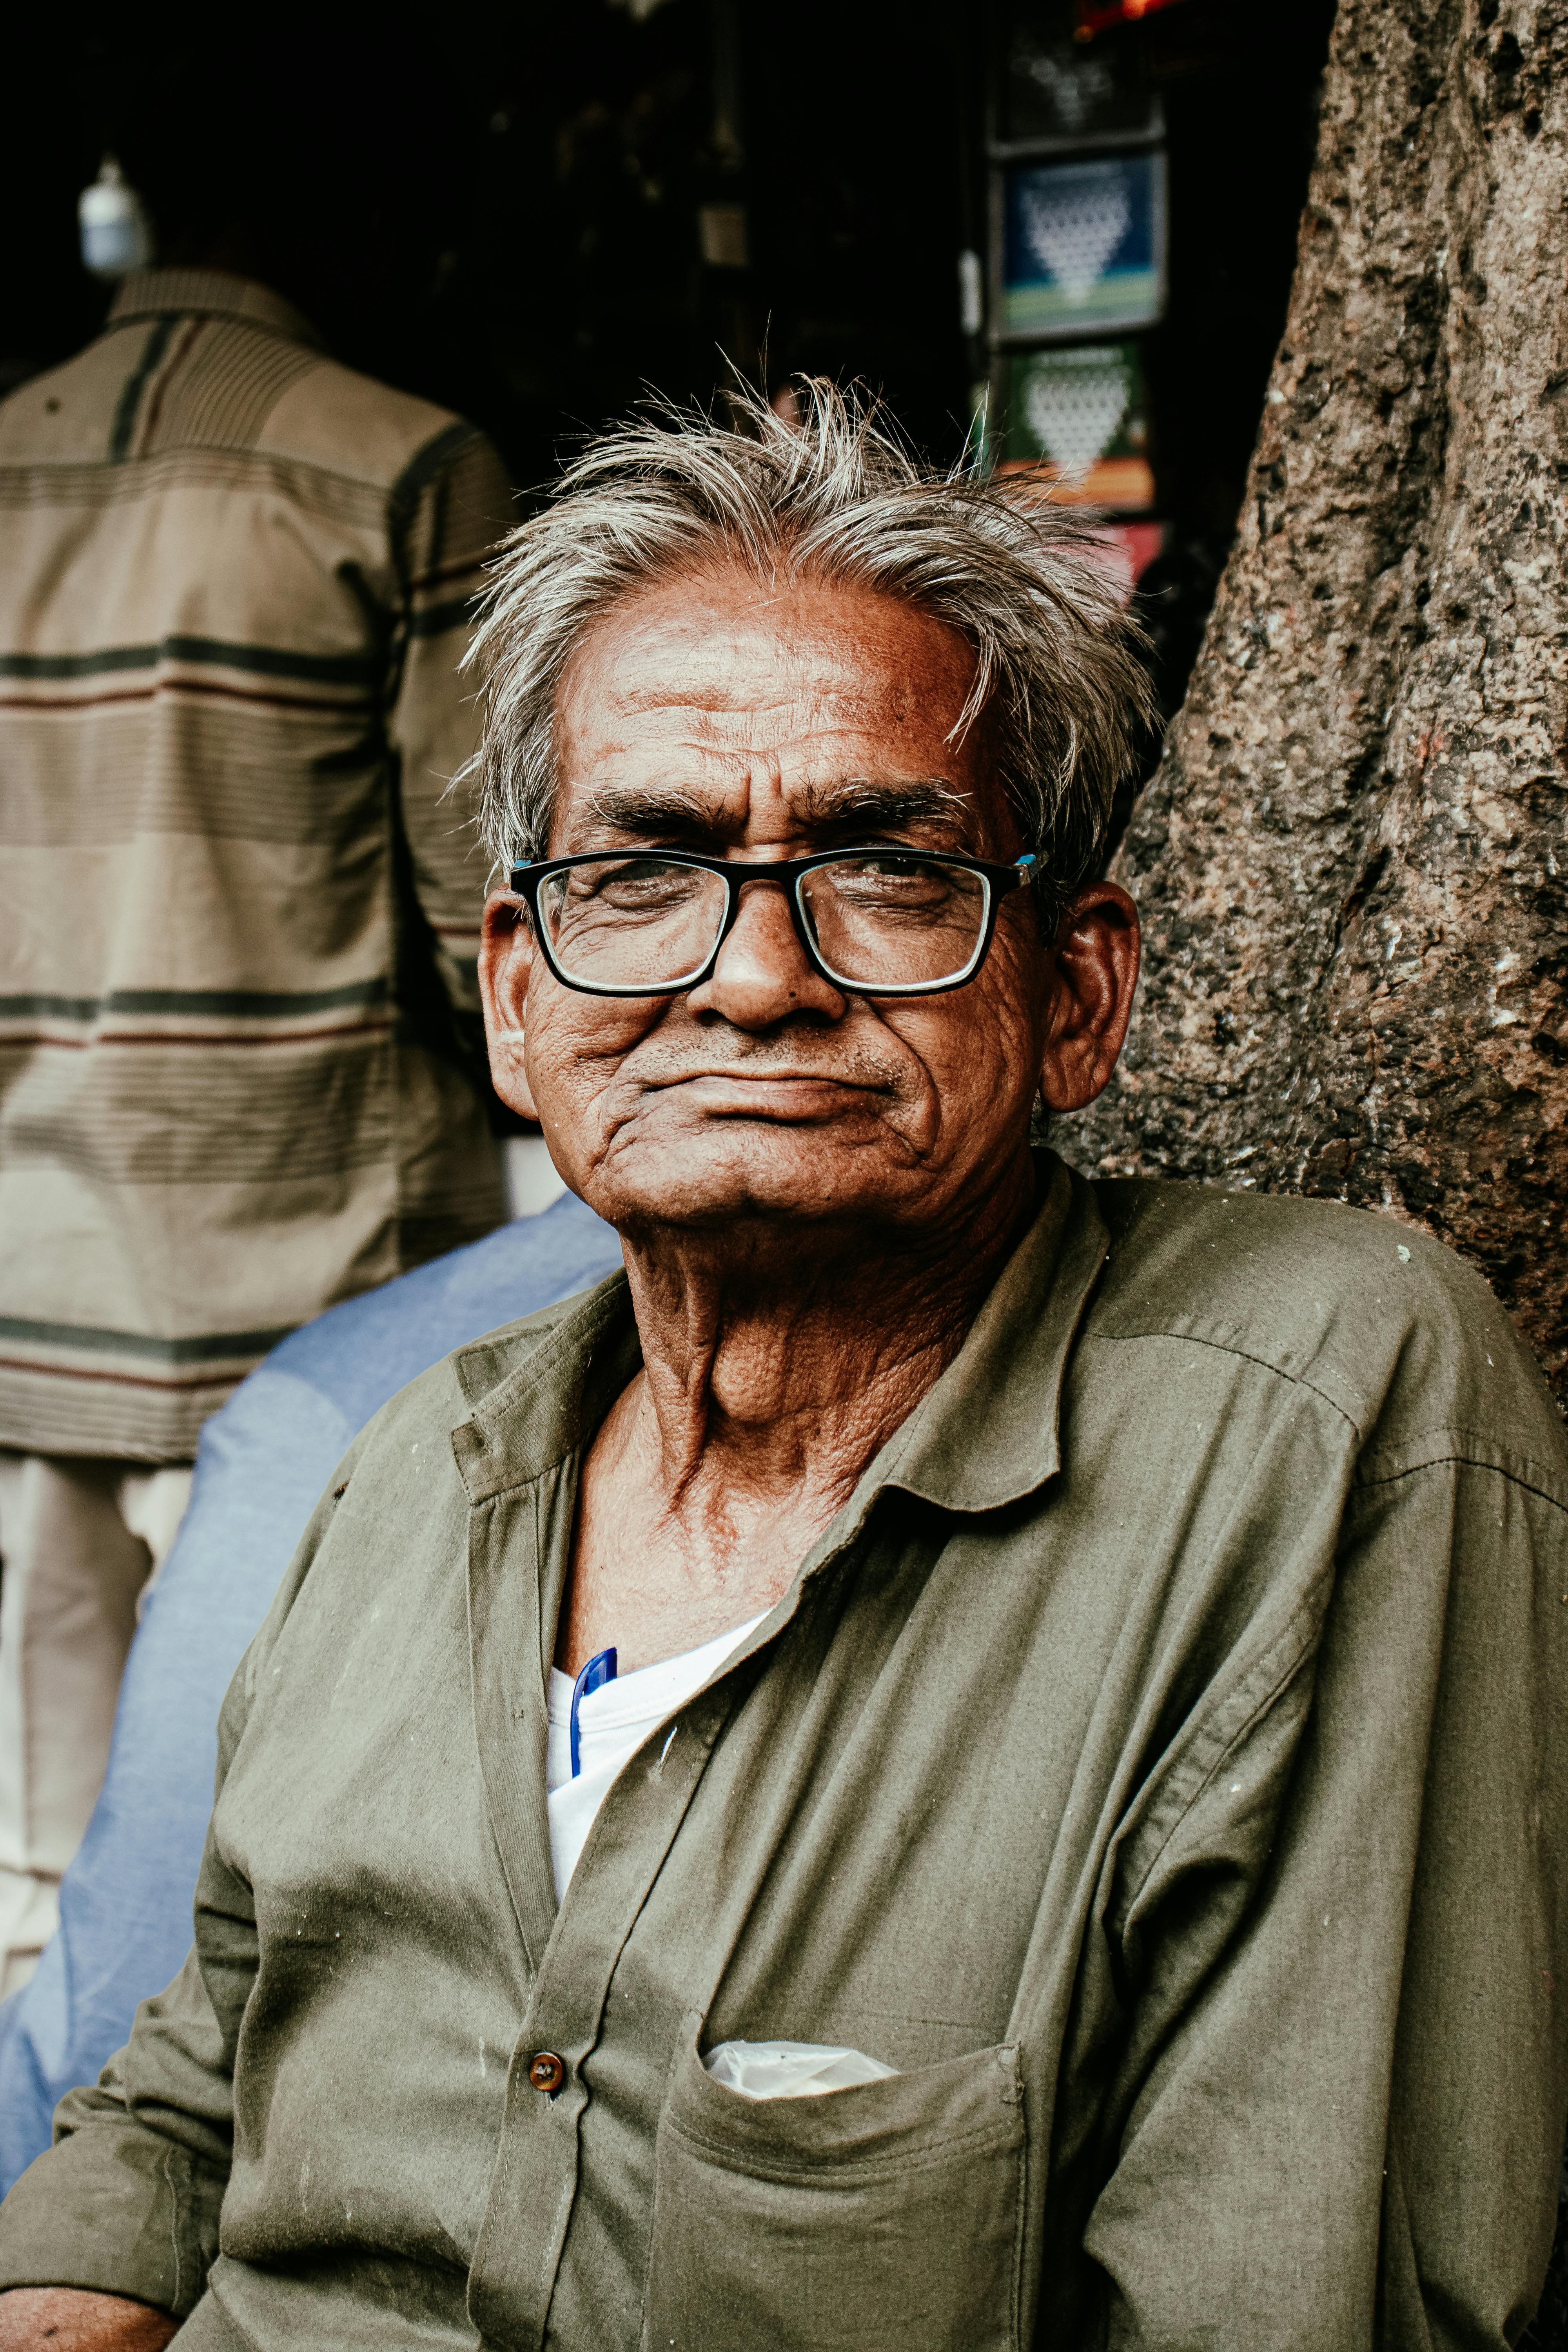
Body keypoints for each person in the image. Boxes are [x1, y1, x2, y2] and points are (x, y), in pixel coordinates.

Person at [1, 381, 1564, 2350]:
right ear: (515, 996)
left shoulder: (1316, 1420)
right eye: (642, 871)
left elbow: (1276, 2293)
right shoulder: (407, 1461)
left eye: (888, 871)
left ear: (1077, 995)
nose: (752, 978)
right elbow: (185, 2100)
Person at [0, 243, 512, 1990]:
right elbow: (478, 897)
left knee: (42, 1860)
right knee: (305, 1816)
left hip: (36, 1253)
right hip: (318, 1252)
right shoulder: (402, 466)